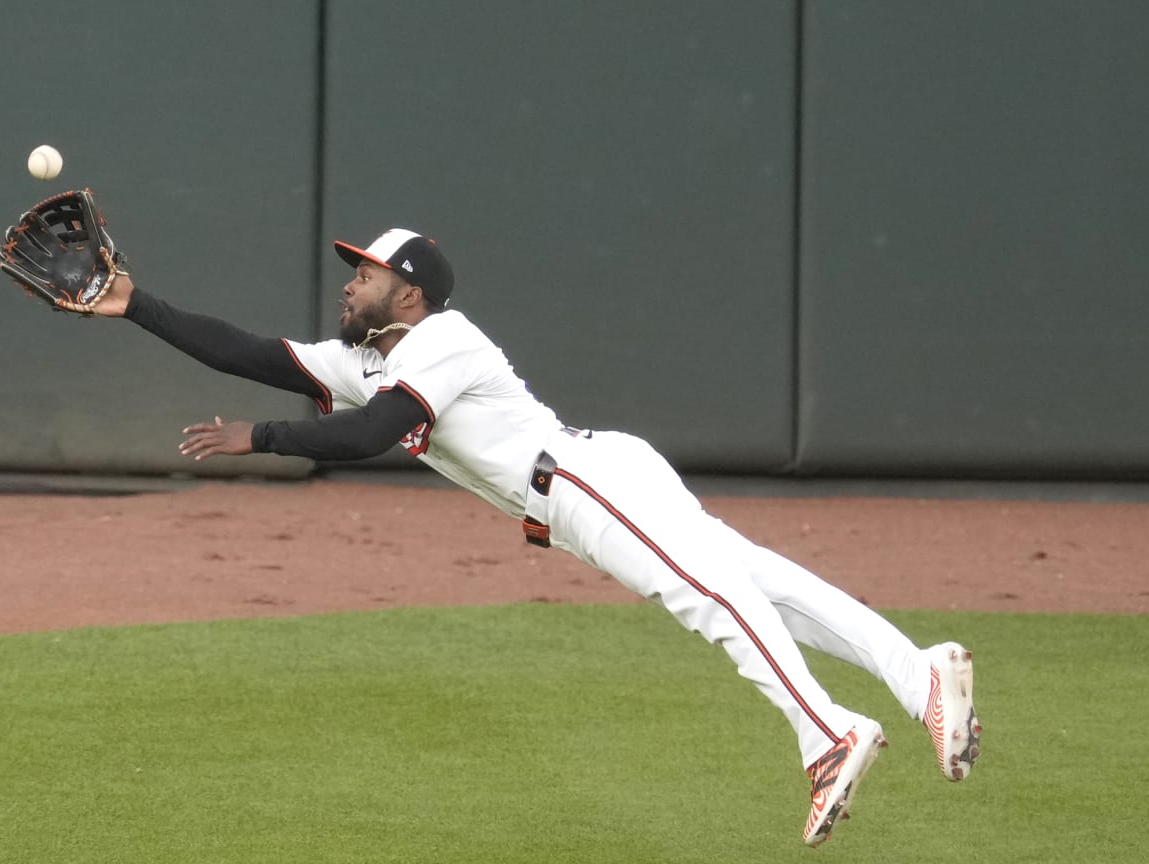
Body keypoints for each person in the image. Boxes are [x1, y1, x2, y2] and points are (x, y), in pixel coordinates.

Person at [89, 227, 981, 847]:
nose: (350, 281)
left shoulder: (443, 338)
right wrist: (135, 305)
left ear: (410, 291)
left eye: (366, 271)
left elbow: (368, 436)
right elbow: (247, 351)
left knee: (714, 598)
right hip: (593, 481)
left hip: (584, 484)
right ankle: (919, 674)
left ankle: (827, 732)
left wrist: (261, 437)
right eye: (353, 269)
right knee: (758, 582)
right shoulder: (368, 359)